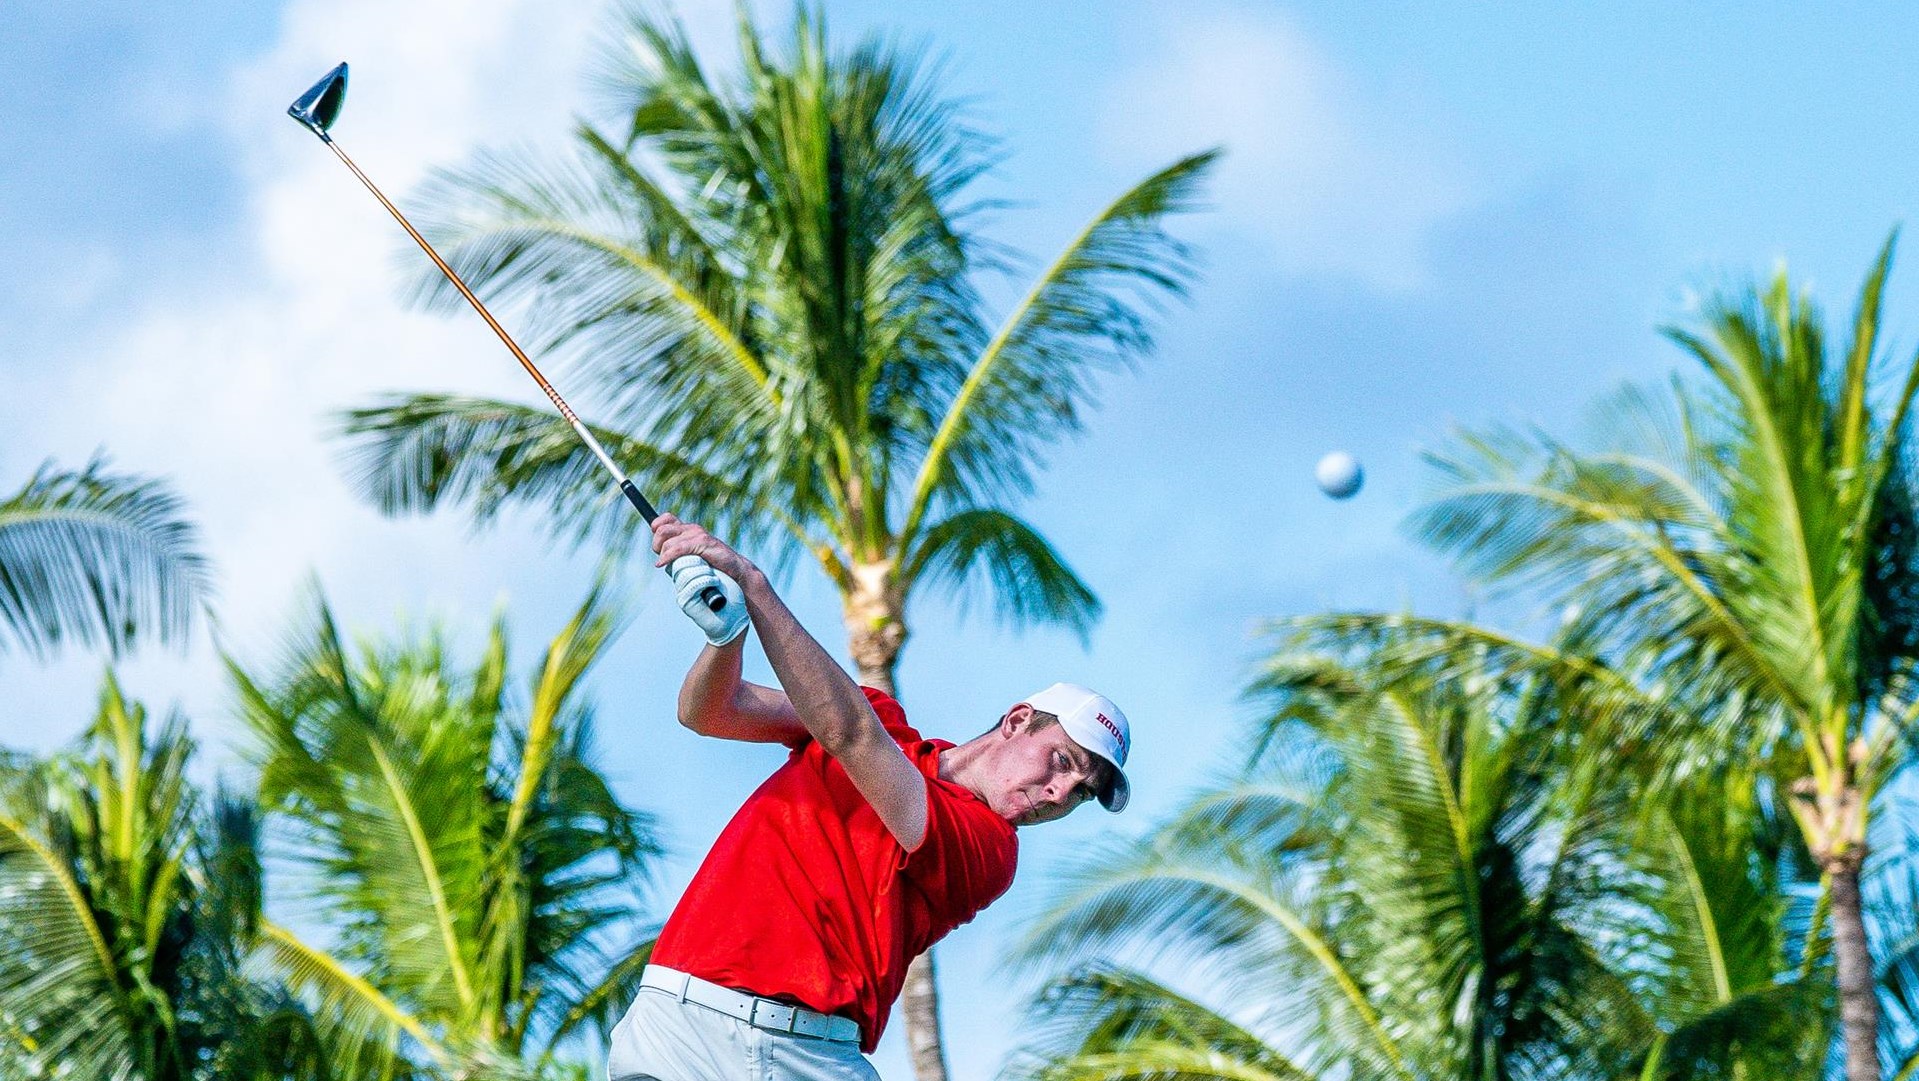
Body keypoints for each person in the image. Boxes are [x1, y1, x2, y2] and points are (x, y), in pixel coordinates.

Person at [607, 515, 1133, 1081]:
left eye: (1079, 794)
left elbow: (850, 737)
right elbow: (709, 711)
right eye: (1062, 762)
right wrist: (724, 638)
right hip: (678, 1024)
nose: (1058, 794)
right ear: (1019, 720)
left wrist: (751, 584)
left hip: (808, 1058)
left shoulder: (990, 852)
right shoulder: (877, 718)